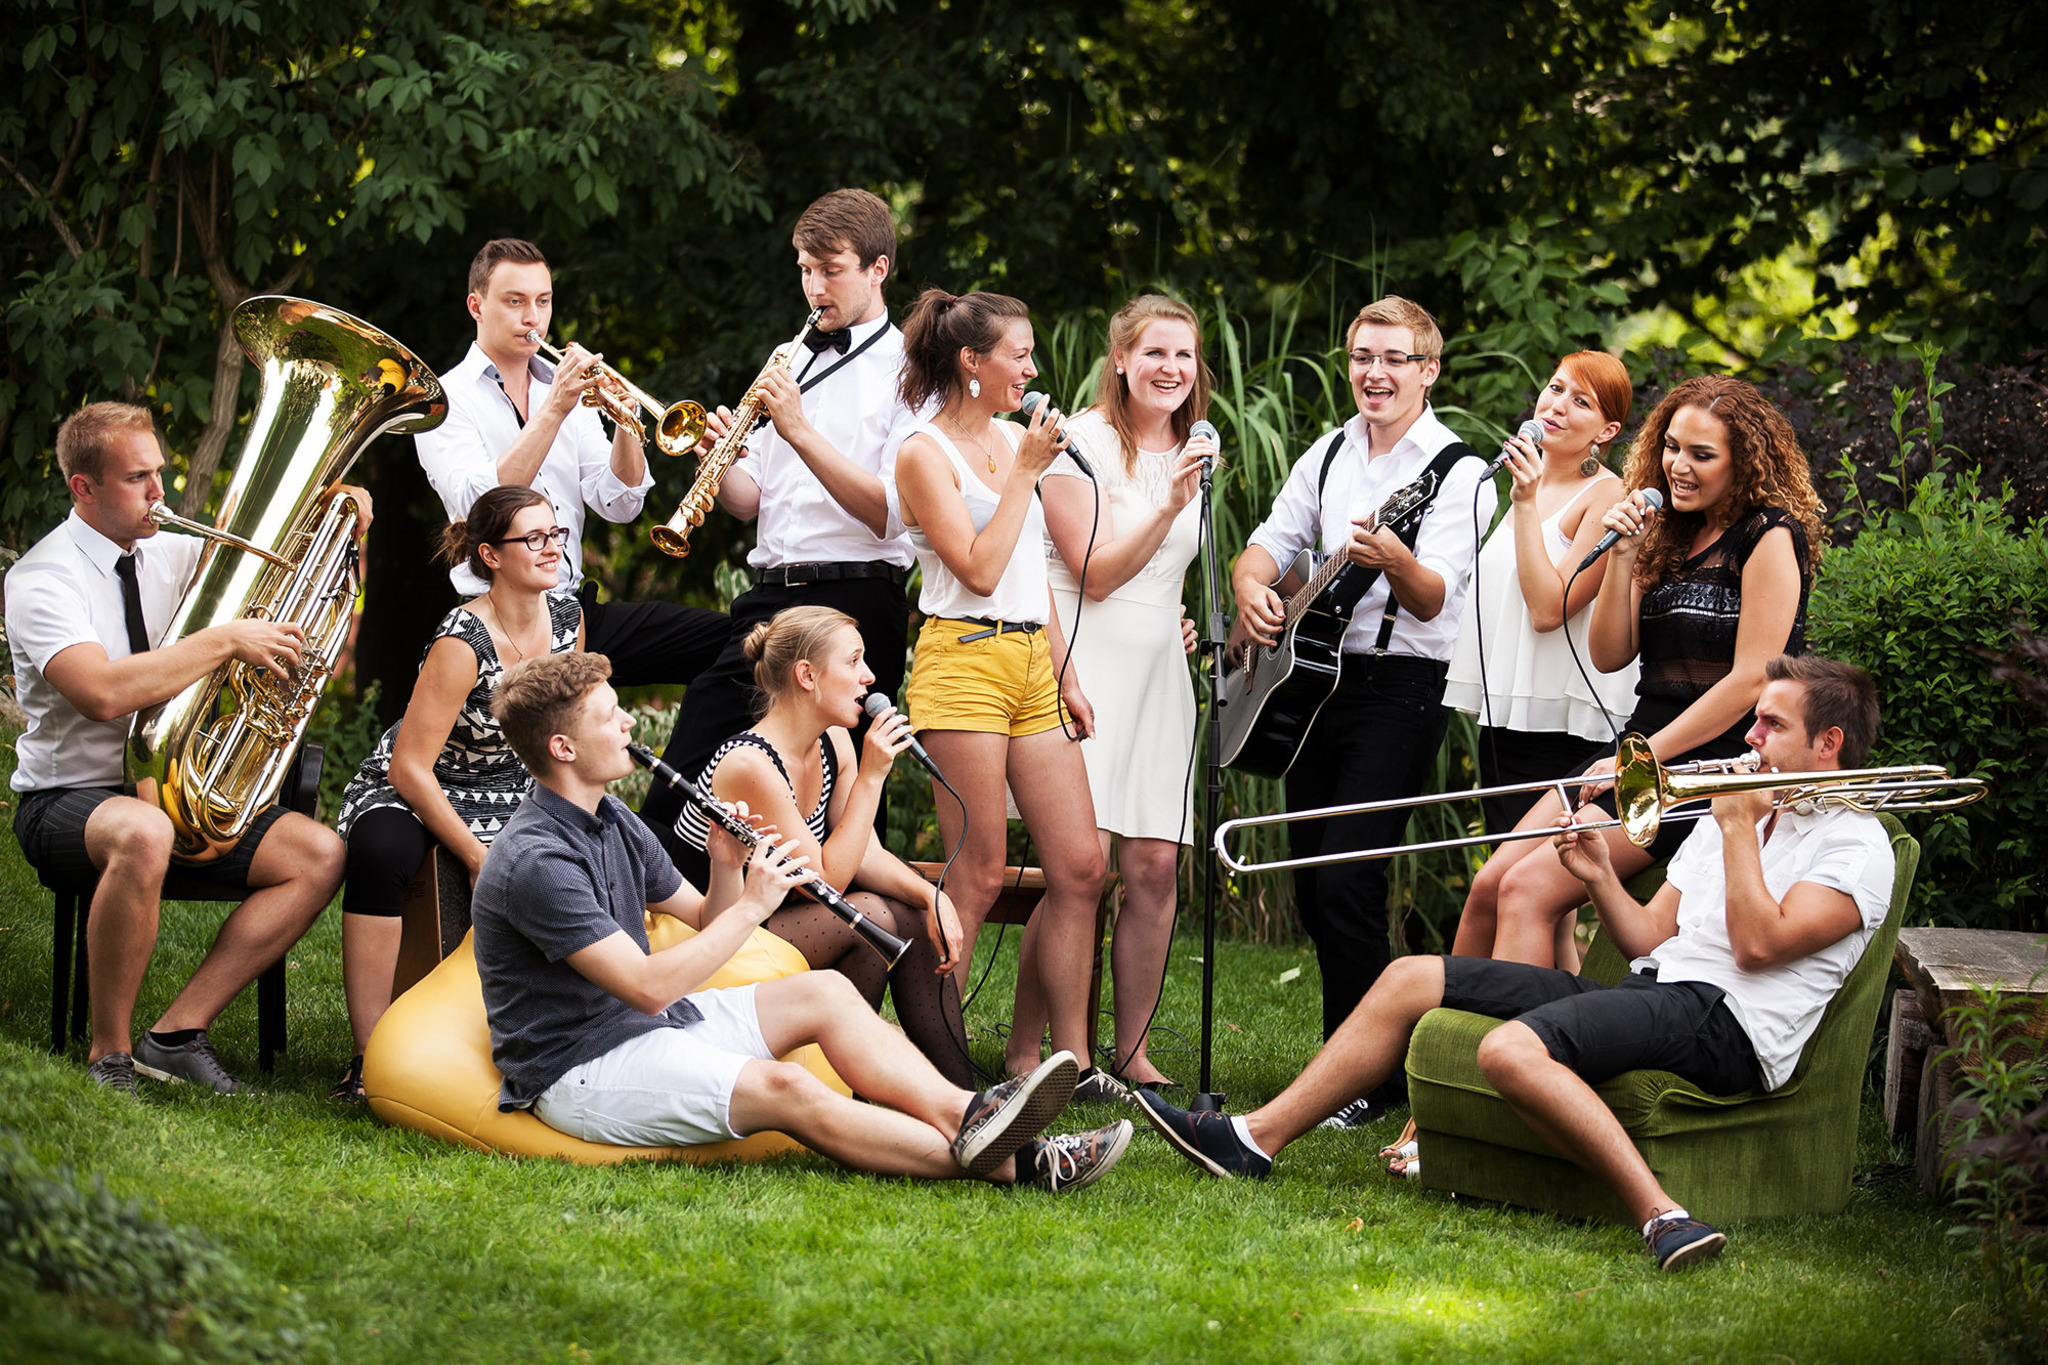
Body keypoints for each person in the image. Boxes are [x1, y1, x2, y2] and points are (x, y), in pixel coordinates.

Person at [1137, 655, 1896, 1271]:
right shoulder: (1731, 816)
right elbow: (1647, 942)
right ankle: (1251, 1139)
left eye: (1771, 723)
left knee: (1507, 1048)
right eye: (1755, 717)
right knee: (1412, 977)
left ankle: (1663, 1216)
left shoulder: (1856, 845)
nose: (1750, 735)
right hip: (1662, 988)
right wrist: (1600, 874)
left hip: (1730, 1025)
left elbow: (1760, 943)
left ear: (1828, 744)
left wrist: (1736, 827)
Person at [473, 650, 1131, 1191]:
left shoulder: (612, 819)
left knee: (825, 991)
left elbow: (704, 917)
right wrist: (758, 903)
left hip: (650, 1025)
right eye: (610, 717)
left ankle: (971, 1112)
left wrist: (726, 864)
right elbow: (647, 985)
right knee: (787, 1086)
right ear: (563, 745)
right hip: (580, 1066)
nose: (628, 727)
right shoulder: (535, 859)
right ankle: (1030, 1162)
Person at [5, 402, 364, 1094]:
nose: (159, 494)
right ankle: (108, 1054)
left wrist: (342, 508)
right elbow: (103, 693)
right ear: (84, 487)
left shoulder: (170, 550)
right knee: (144, 831)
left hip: (175, 787)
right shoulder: (42, 578)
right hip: (69, 799)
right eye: (138, 478)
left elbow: (288, 556)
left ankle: (173, 1033)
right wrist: (225, 638)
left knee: (321, 854)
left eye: (160, 474)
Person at [1451, 375, 1826, 970]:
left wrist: (1644, 758)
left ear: (1744, 463)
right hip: (1639, 750)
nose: (1679, 465)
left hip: (1712, 764)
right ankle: (1444, 1043)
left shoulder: (1770, 536)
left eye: (1702, 455)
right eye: (1673, 447)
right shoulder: (1667, 533)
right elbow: (1608, 654)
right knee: (1489, 886)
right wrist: (1624, 555)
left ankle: (1509, 1047)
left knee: (1527, 890)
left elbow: (1752, 679)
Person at [1229, 296, 1494, 1126]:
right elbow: (1269, 543)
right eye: (1362, 358)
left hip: (1398, 692)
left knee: (1350, 877)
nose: (1374, 374)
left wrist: (1394, 557)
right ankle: (1347, 1059)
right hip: (1314, 685)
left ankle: (1368, 1082)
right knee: (1313, 881)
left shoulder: (1461, 472)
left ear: (1429, 370)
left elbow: (1432, 596)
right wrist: (1249, 589)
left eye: (1394, 359)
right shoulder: (1333, 448)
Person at [644, 189, 921, 866]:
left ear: (878, 268)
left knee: (841, 806)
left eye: (831, 269)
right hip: (769, 598)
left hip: (856, 601)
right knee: (678, 785)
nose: (813, 286)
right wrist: (719, 457)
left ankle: (834, 959)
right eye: (804, 268)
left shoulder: (913, 369)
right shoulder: (788, 355)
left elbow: (893, 510)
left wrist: (795, 428)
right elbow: (750, 500)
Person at [890, 288, 1113, 1098]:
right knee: (979, 871)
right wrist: (1025, 471)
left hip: (1028, 662)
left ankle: (1072, 1065)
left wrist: (1066, 671)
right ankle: (940, 1067)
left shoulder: (1017, 438)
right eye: (1018, 354)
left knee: (1082, 867)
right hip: (963, 660)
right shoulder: (923, 452)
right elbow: (978, 569)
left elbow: (1029, 574)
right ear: (970, 362)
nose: (1031, 367)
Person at [1014, 294, 1214, 1090]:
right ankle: (1031, 1047)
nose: (1171, 369)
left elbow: (1169, 570)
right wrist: (1169, 504)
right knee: (1081, 867)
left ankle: (1133, 1049)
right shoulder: (1079, 445)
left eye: (1185, 356)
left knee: (1155, 866)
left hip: (1162, 668)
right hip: (1084, 664)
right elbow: (1090, 573)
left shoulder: (1196, 451)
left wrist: (1177, 618)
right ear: (1122, 360)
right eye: (1155, 353)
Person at [328, 485, 584, 1100]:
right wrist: (477, 856)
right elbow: (409, 767)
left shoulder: (569, 617)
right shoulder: (460, 640)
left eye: (556, 534)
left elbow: (569, 731)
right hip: (424, 780)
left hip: (515, 783)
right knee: (381, 850)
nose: (551, 548)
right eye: (534, 538)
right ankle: (368, 1057)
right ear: (491, 556)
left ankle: (555, 1034)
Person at [671, 606, 971, 1084]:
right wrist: (873, 776)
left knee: (908, 914)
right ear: (807, 675)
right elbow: (825, 883)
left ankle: (961, 1091)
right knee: (869, 917)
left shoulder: (834, 739)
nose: (869, 678)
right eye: (853, 662)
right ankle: (858, 1086)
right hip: (714, 936)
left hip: (780, 916)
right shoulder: (749, 763)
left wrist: (931, 895)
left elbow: (863, 853)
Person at [414, 237, 726, 689]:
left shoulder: (564, 392)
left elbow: (620, 505)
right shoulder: (445, 400)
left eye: (543, 301)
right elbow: (480, 506)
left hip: (573, 610)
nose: (532, 317)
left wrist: (627, 424)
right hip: (498, 620)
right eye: (515, 301)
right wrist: (556, 408)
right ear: (476, 306)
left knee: (733, 644)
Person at [1444, 352, 1640, 843]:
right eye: (1555, 389)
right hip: (1508, 712)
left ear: (1606, 430)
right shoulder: (1528, 485)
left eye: (1581, 401)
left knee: (1528, 880)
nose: (1557, 406)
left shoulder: (1605, 495)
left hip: (1561, 722)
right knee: (1514, 876)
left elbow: (1549, 609)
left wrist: (1525, 502)